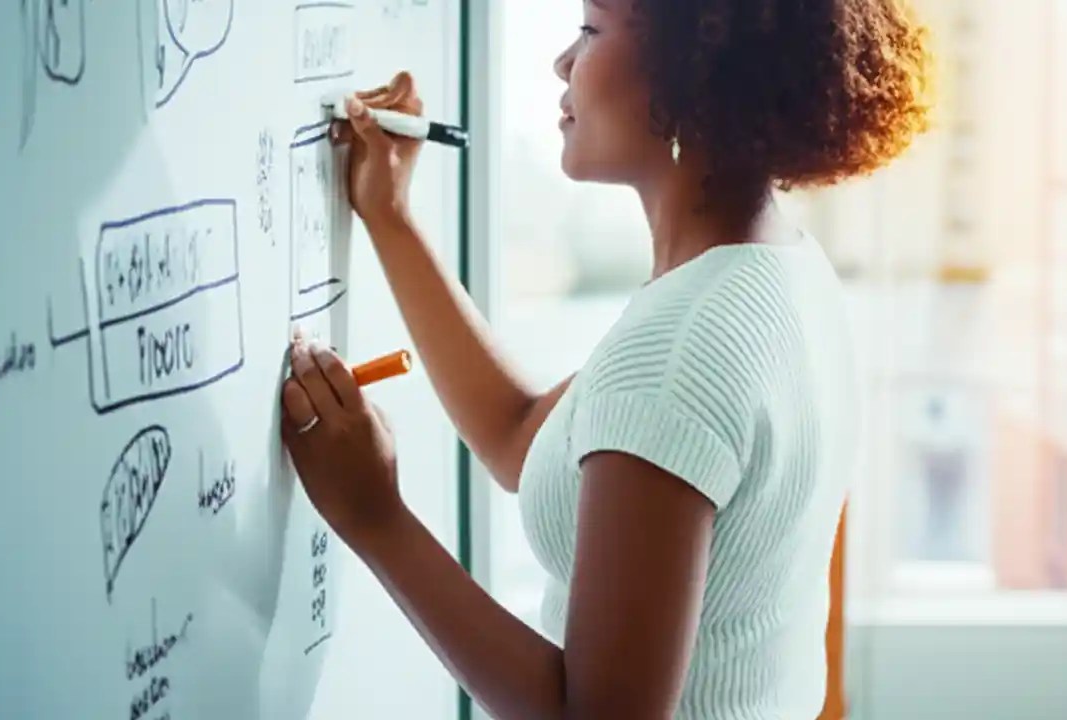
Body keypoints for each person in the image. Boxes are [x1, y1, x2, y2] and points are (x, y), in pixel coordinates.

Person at [279, 0, 930, 717]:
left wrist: (375, 518)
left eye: (590, 31)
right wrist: (391, 215)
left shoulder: (684, 344)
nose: (563, 61)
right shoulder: (780, 273)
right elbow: (523, 435)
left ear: (696, 75)